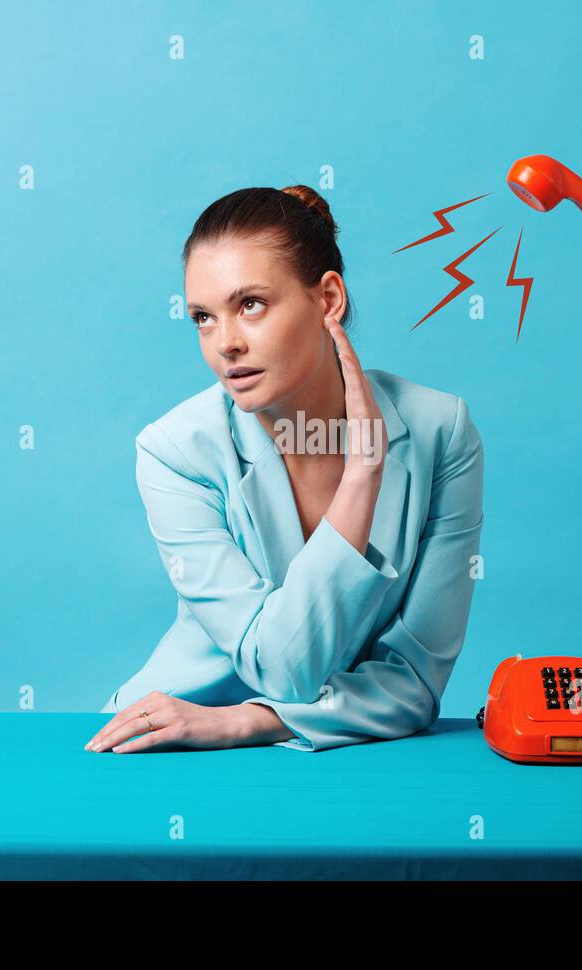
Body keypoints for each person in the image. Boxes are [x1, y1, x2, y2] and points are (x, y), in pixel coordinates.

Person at [85, 184, 483, 754]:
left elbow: (416, 681)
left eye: (250, 304)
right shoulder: (175, 451)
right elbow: (286, 667)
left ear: (328, 299)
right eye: (203, 317)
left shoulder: (441, 432)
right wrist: (362, 474)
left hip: (316, 755)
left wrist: (248, 721)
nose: (225, 343)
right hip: (163, 745)